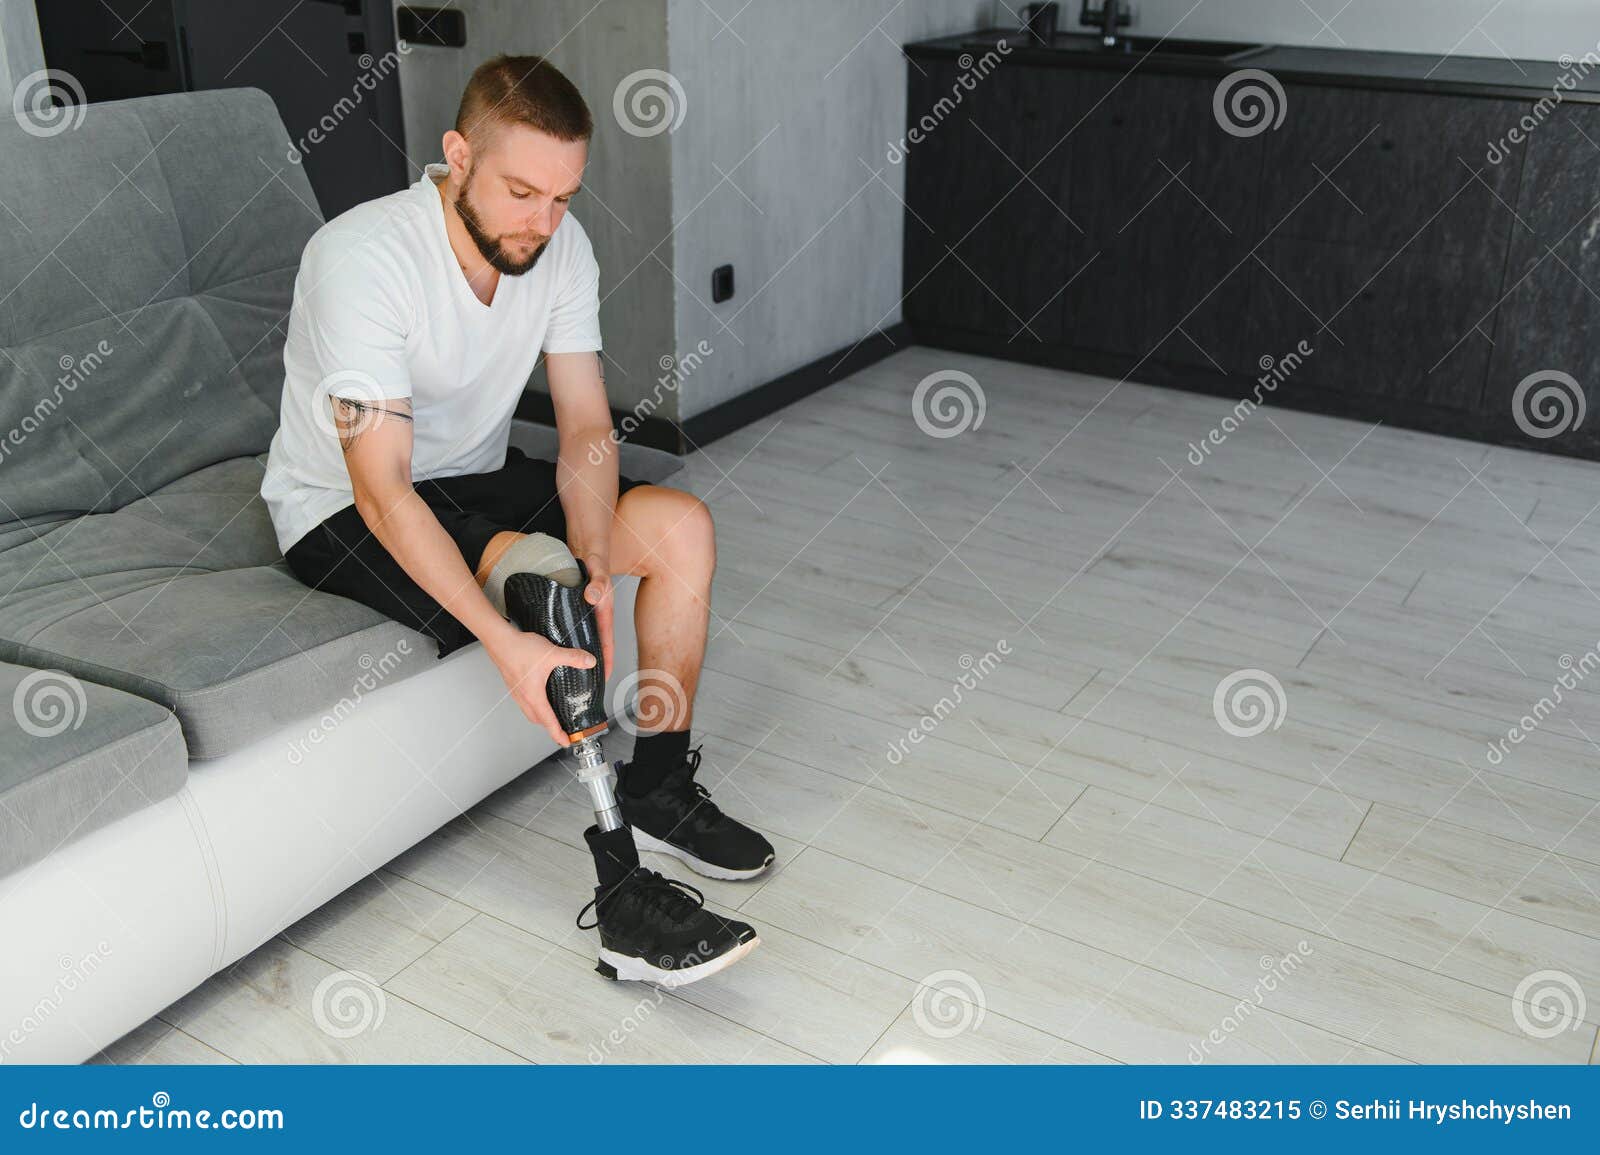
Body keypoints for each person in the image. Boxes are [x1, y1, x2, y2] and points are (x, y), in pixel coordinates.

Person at [260, 54, 771, 985]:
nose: (541, 223)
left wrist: (599, 556)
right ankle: (622, 903)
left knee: (680, 527)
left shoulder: (559, 247)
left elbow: (582, 423)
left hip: (475, 477)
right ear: (457, 155)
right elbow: (382, 491)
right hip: (339, 508)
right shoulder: (360, 258)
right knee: (535, 571)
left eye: (563, 198)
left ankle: (657, 784)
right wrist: (507, 638)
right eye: (521, 191)